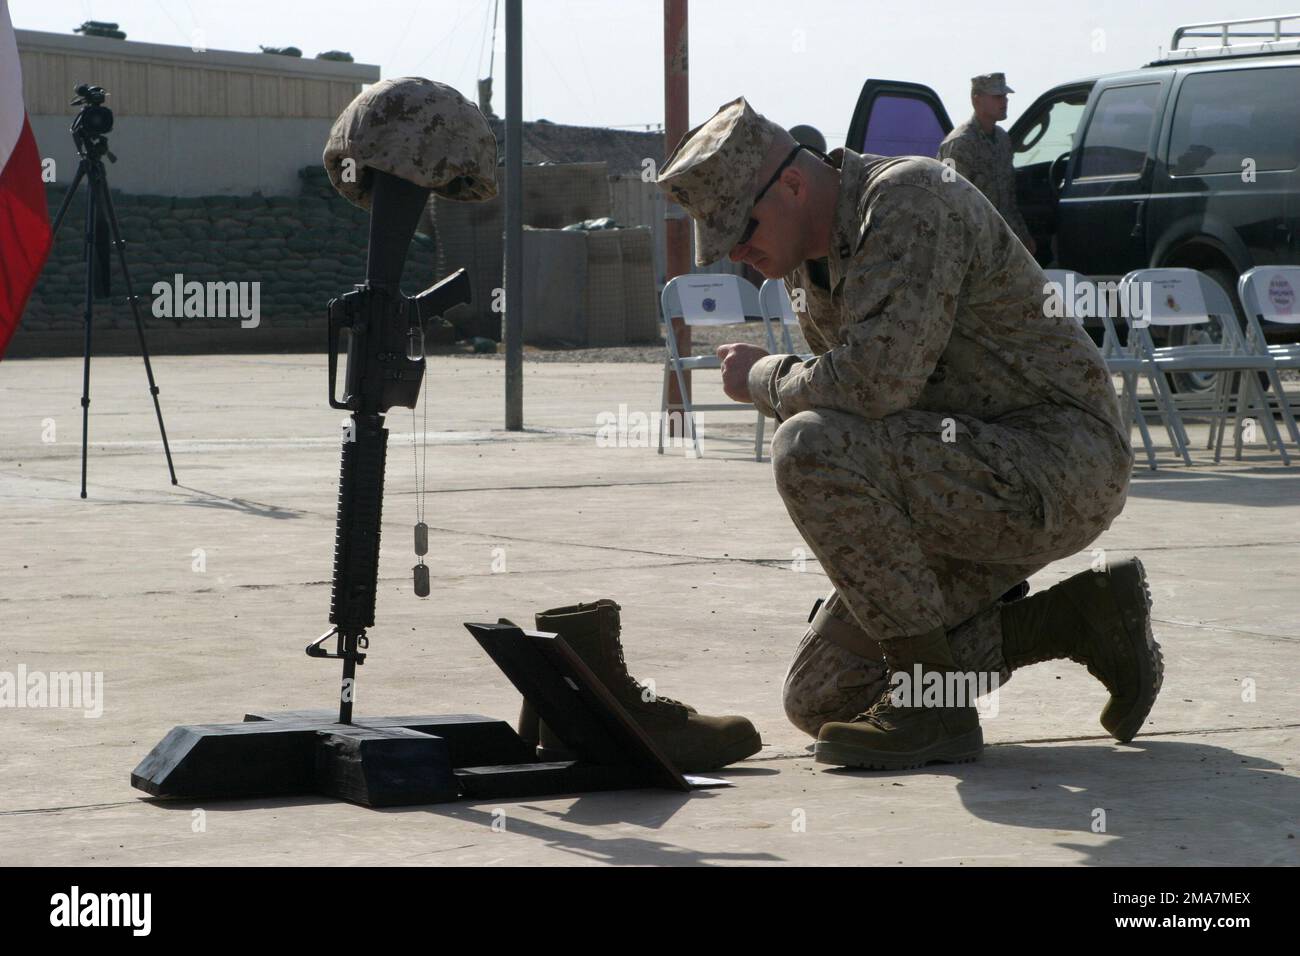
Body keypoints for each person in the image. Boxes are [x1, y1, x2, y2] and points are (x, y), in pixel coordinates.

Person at [655, 96, 1162, 770]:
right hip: (952, 475)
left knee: (808, 445)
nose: (741, 257)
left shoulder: (909, 199)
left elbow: (873, 386)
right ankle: (1079, 619)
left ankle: (931, 708)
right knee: (823, 697)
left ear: (794, 184)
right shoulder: (808, 264)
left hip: (1052, 464)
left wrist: (764, 376)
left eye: (743, 232)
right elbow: (869, 403)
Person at [938, 73, 1035, 255]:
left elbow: (1008, 198)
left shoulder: (1002, 139)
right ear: (977, 100)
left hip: (1004, 240)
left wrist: (1023, 235)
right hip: (973, 242)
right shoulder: (959, 143)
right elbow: (948, 198)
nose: (1004, 101)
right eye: (997, 96)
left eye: (1005, 96)